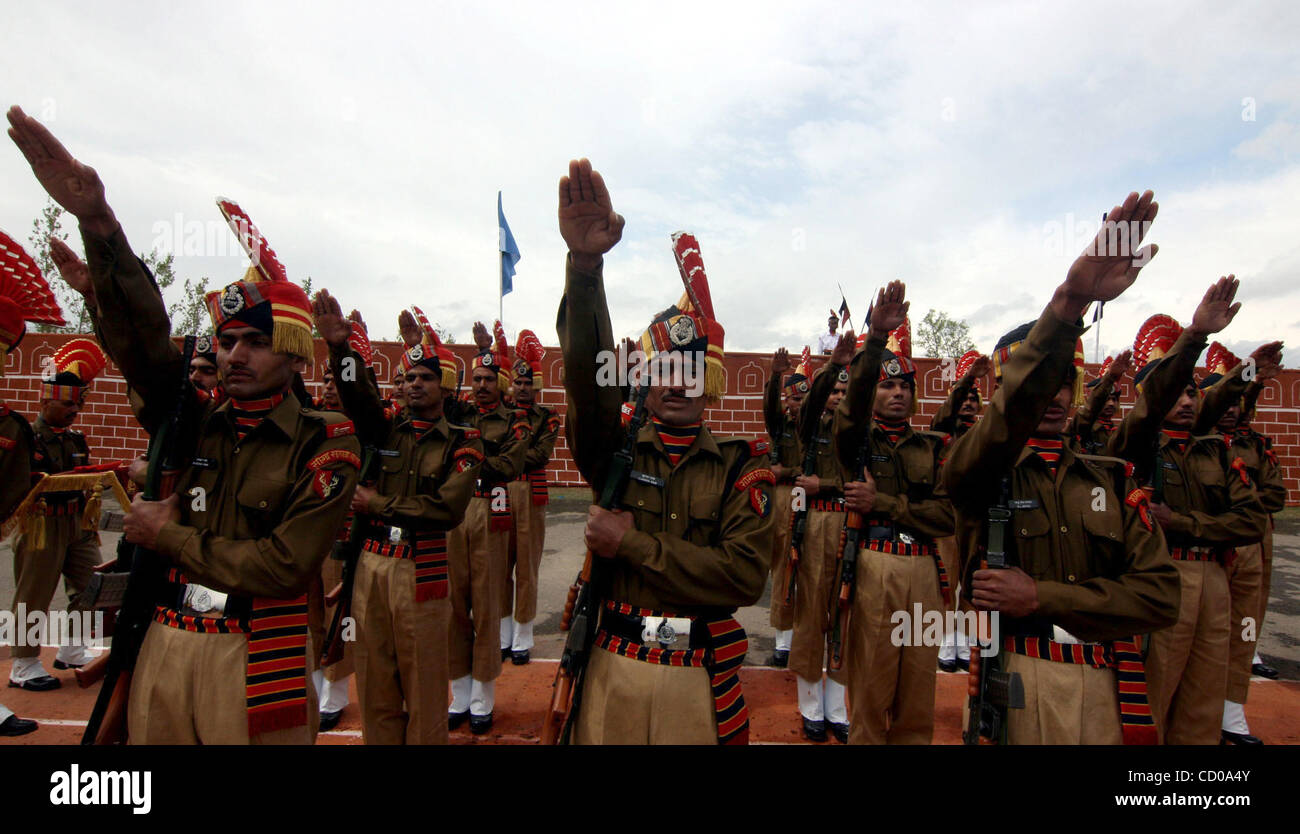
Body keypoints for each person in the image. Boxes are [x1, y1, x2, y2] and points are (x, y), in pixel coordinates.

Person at [9, 104, 362, 743]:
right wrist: (100, 225)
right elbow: (147, 346)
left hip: (254, 658)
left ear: (290, 349)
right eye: (225, 343)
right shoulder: (196, 420)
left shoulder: (325, 441)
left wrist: (168, 538)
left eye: (253, 343)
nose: (233, 356)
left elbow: (283, 568)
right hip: (167, 643)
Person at [943, 190, 1181, 745]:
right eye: (1039, 384)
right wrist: (1070, 302)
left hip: (1106, 688)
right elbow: (1002, 425)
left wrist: (1043, 597)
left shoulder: (1113, 480)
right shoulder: (983, 470)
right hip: (1020, 682)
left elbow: (1160, 597)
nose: (1053, 395)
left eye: (1064, 382)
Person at [557, 158, 771, 744]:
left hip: (695, 682)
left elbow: (742, 577)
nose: (678, 381)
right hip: (614, 675)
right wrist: (585, 268)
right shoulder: (612, 454)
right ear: (645, 380)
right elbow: (586, 379)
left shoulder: (739, 467)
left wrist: (632, 545)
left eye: (692, 368)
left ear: (711, 380)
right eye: (666, 368)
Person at [1102, 279, 1268, 745]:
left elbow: (1252, 521)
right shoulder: (1135, 443)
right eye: (1177, 392)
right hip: (1162, 574)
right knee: (1150, 695)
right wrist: (1193, 337)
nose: (1187, 400)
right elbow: (1150, 405)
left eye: (1193, 394)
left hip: (1214, 578)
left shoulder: (1215, 451)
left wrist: (1187, 522)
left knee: (1202, 698)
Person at [314, 292, 481, 744]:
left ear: (444, 388)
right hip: (370, 566)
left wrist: (378, 505)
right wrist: (339, 349)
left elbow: (446, 510)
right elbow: (356, 393)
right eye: (408, 377)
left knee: (424, 688)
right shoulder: (385, 428)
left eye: (425, 377)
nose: (414, 385)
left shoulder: (464, 442)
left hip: (419, 570)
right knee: (375, 686)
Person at [834, 285, 955, 744]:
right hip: (875, 567)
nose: (899, 393)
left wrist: (883, 504)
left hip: (925, 568)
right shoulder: (857, 440)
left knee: (918, 690)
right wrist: (875, 343)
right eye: (888, 385)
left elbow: (946, 518)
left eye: (906, 385)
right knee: (871, 687)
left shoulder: (933, 447)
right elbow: (850, 408)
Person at [8, 337, 107, 689]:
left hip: (76, 521)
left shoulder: (76, 439)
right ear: (46, 398)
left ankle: (73, 649)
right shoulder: (28, 438)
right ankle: (23, 663)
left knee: (92, 585)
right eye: (66, 402)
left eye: (77, 402)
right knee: (33, 593)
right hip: (41, 523)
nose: (73, 409)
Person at [445, 320, 529, 733]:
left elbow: (509, 465)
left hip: (488, 512)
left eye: (487, 379)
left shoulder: (514, 422)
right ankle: (459, 694)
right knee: (453, 607)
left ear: (501, 384)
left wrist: (466, 459)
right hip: (453, 514)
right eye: (475, 378)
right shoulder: (457, 414)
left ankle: (482, 698)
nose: (480, 385)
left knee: (487, 606)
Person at [788, 342, 851, 742]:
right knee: (812, 613)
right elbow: (808, 408)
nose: (838, 399)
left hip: (849, 523)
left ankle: (838, 708)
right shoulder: (809, 426)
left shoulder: (860, 430)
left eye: (845, 392)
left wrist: (824, 484)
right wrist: (833, 366)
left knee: (845, 614)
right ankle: (811, 704)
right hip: (815, 524)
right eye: (832, 391)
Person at [500, 329, 559, 664]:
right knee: (498, 565)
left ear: (535, 386)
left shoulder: (546, 416)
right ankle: (503, 633)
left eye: (528, 384)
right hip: (500, 493)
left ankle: (523, 636)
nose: (523, 389)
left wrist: (506, 457)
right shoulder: (501, 414)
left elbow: (542, 455)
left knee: (527, 566)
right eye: (518, 383)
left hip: (529, 491)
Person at [931, 349, 989, 672]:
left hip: (974, 519)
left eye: (973, 399)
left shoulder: (983, 432)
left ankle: (967, 644)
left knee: (971, 583)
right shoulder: (943, 430)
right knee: (945, 583)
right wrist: (968, 379)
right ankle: (945, 643)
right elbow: (946, 411)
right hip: (945, 519)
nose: (967, 403)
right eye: (964, 398)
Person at [762, 346, 809, 667]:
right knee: (783, 565)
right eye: (792, 399)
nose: (797, 404)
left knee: (810, 567)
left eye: (803, 399)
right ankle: (783, 641)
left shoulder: (819, 430)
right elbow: (768, 409)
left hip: (811, 499)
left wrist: (790, 472)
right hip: (784, 499)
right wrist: (775, 376)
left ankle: (805, 637)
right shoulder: (781, 428)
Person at [1070, 350, 1131, 455]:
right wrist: (1110, 378)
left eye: (1114, 399)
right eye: (1106, 399)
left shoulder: (1119, 431)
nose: (1111, 404)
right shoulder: (1083, 428)